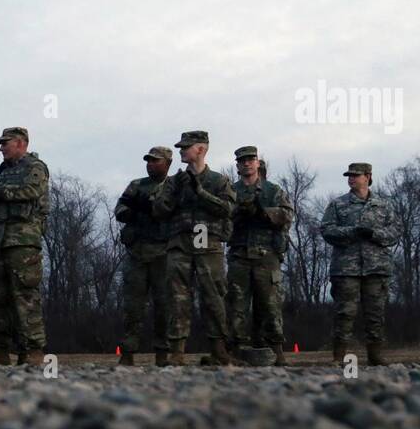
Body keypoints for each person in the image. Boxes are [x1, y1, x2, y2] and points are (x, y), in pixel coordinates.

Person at [150, 130, 235, 365]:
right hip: (180, 244)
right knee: (177, 297)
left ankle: (219, 350)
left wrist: (201, 193)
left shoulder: (219, 181)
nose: (181, 151)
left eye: (186, 147)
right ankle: (176, 352)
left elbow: (228, 209)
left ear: (200, 149)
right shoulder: (175, 182)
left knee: (213, 296)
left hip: (209, 244)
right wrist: (175, 193)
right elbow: (158, 210)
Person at [0, 126, 49, 365]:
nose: (1, 148)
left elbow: (31, 191)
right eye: (1, 144)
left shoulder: (35, 167)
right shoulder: (5, 171)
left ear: (21, 143)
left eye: (6, 143)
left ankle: (33, 351)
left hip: (23, 241)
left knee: (25, 296)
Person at [320, 163, 394, 365]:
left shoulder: (383, 205)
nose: (351, 179)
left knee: (375, 314)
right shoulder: (338, 204)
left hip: (376, 268)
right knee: (344, 313)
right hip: (346, 269)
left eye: (356, 175)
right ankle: (339, 356)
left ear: (368, 177)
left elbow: (395, 233)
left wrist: (374, 233)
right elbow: (326, 230)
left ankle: (375, 355)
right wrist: (351, 231)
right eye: (349, 176)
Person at [226, 146, 294, 365]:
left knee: (270, 304)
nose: (247, 163)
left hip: (267, 255)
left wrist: (263, 212)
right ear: (237, 165)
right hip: (239, 254)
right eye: (242, 160)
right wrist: (237, 214)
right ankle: (235, 349)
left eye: (251, 159)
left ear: (257, 163)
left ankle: (276, 349)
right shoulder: (230, 190)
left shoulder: (272, 190)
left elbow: (287, 215)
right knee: (237, 304)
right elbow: (221, 219)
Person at [115, 147, 172, 365]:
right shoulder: (137, 185)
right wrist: (131, 212)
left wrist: (153, 207)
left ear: (167, 163)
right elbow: (120, 208)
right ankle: (128, 352)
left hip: (164, 253)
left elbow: (173, 211)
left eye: (155, 161)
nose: (150, 164)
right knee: (133, 305)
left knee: (164, 305)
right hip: (137, 253)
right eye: (148, 161)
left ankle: (162, 353)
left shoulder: (174, 186)